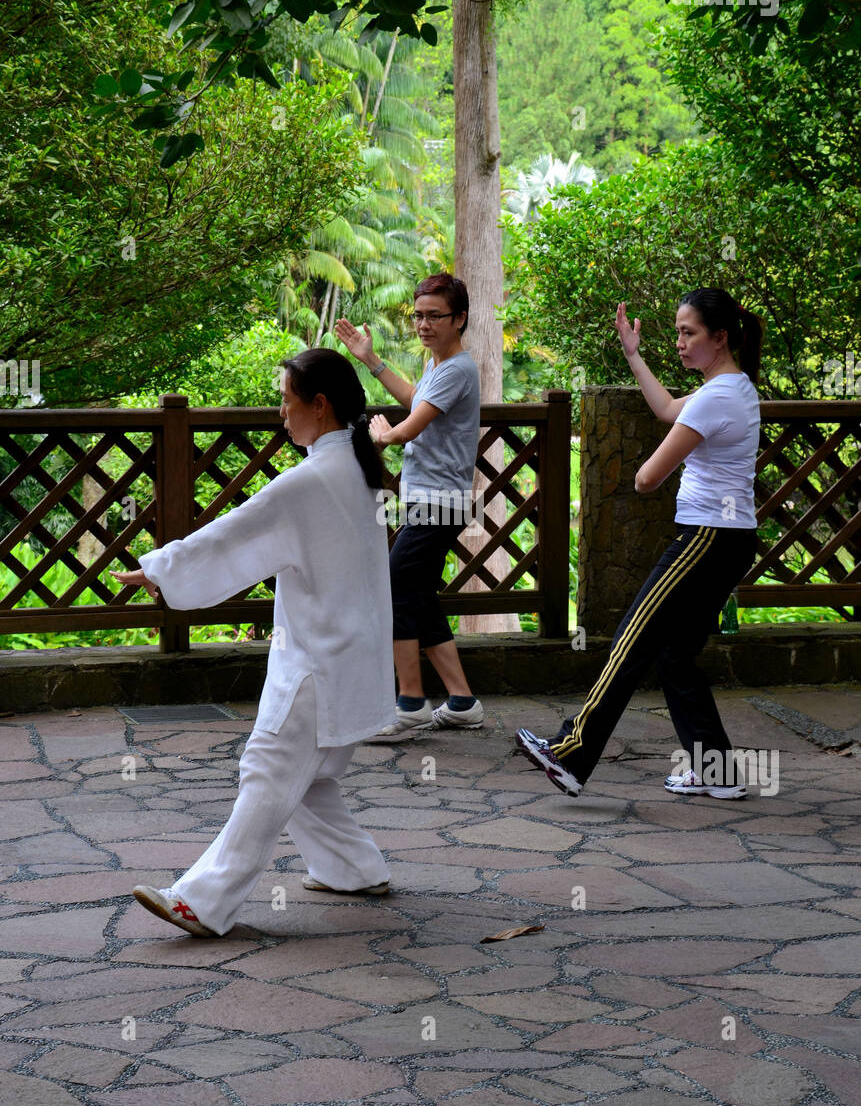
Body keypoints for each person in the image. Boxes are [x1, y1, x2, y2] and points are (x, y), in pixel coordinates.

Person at [110, 350, 396, 937]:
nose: (281, 414)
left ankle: (202, 901)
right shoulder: (358, 472)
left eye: (287, 401)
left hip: (319, 661)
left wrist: (161, 570)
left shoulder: (311, 480)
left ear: (320, 405)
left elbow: (231, 534)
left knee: (267, 770)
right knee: (307, 776)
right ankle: (354, 867)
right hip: (350, 654)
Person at [516, 288, 763, 801]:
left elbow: (648, 479)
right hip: (728, 539)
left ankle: (570, 751)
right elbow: (669, 409)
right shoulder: (730, 386)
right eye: (676, 331)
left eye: (688, 332)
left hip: (706, 539)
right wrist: (633, 354)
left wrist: (647, 470)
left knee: (632, 637)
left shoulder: (718, 395)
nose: (679, 341)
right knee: (674, 655)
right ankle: (715, 770)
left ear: (719, 338)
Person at [334, 272, 484, 739]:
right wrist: (371, 360)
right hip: (431, 498)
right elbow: (416, 400)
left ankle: (411, 704)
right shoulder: (439, 366)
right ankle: (461, 702)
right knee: (416, 595)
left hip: (439, 501)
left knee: (395, 590)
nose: (423, 324)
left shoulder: (457, 368)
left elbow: (409, 426)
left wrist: (385, 435)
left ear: (459, 319)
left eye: (434, 316)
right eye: (418, 315)